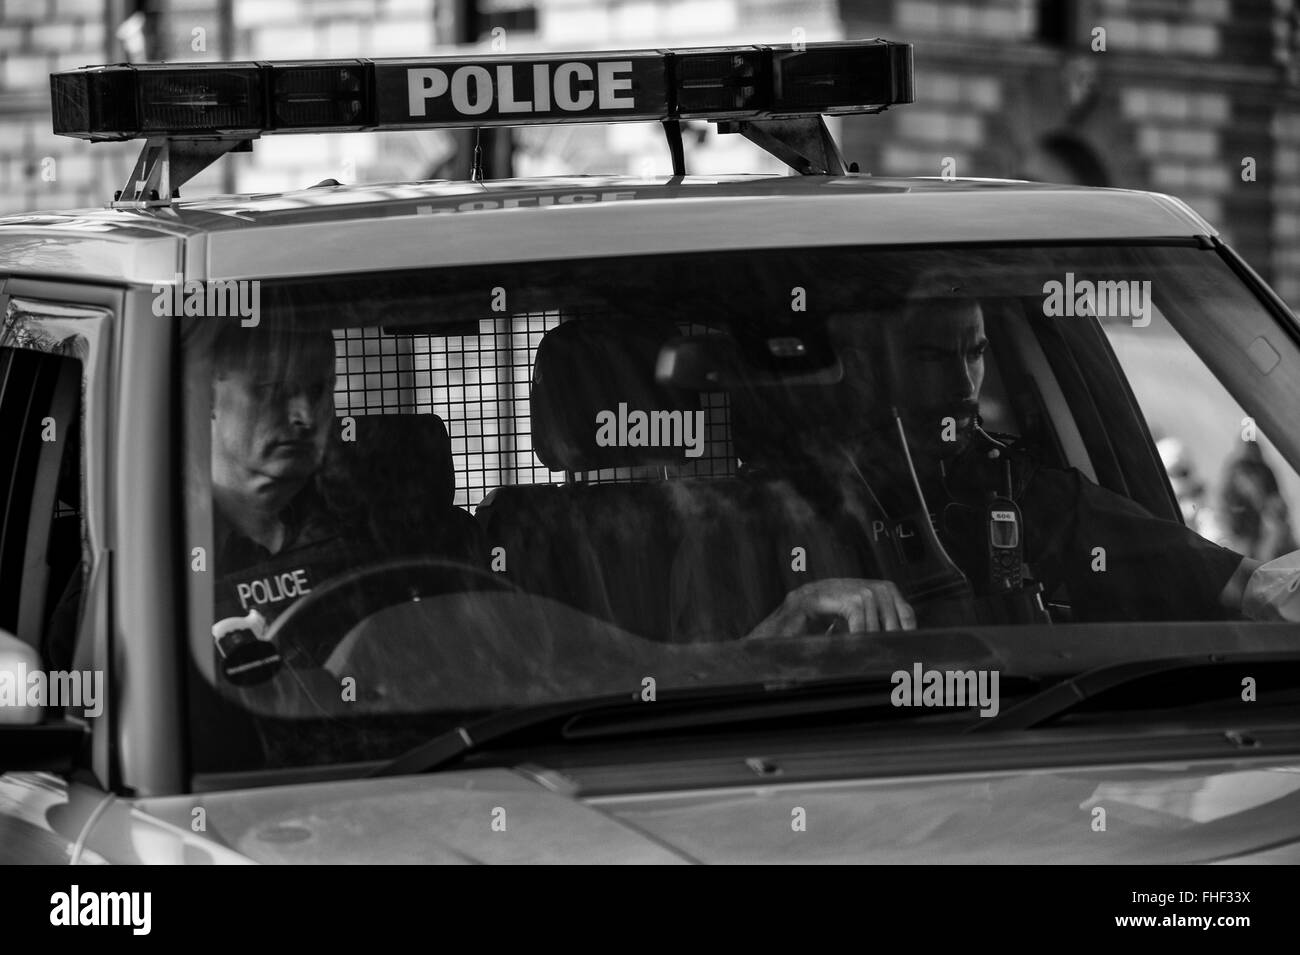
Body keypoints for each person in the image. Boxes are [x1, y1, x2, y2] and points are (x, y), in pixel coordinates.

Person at [744, 293, 1266, 638]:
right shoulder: (778, 503)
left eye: (973, 353)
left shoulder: (1018, 488)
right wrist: (800, 608)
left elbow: (1236, 584)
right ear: (865, 367)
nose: (962, 386)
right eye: (930, 358)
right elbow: (688, 674)